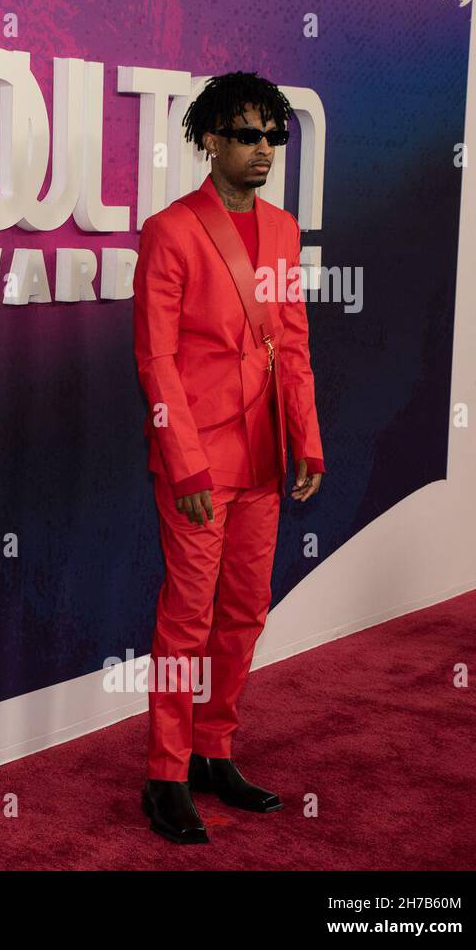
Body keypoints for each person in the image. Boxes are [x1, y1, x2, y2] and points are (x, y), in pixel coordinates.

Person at [132, 71, 326, 844]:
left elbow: (294, 342)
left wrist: (306, 436)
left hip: (266, 454)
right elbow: (156, 360)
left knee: (243, 613)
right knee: (186, 620)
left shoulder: (282, 231)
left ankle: (215, 750)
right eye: (247, 135)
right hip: (200, 460)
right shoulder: (172, 230)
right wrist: (182, 463)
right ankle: (165, 772)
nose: (264, 150)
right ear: (209, 140)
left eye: (273, 136)